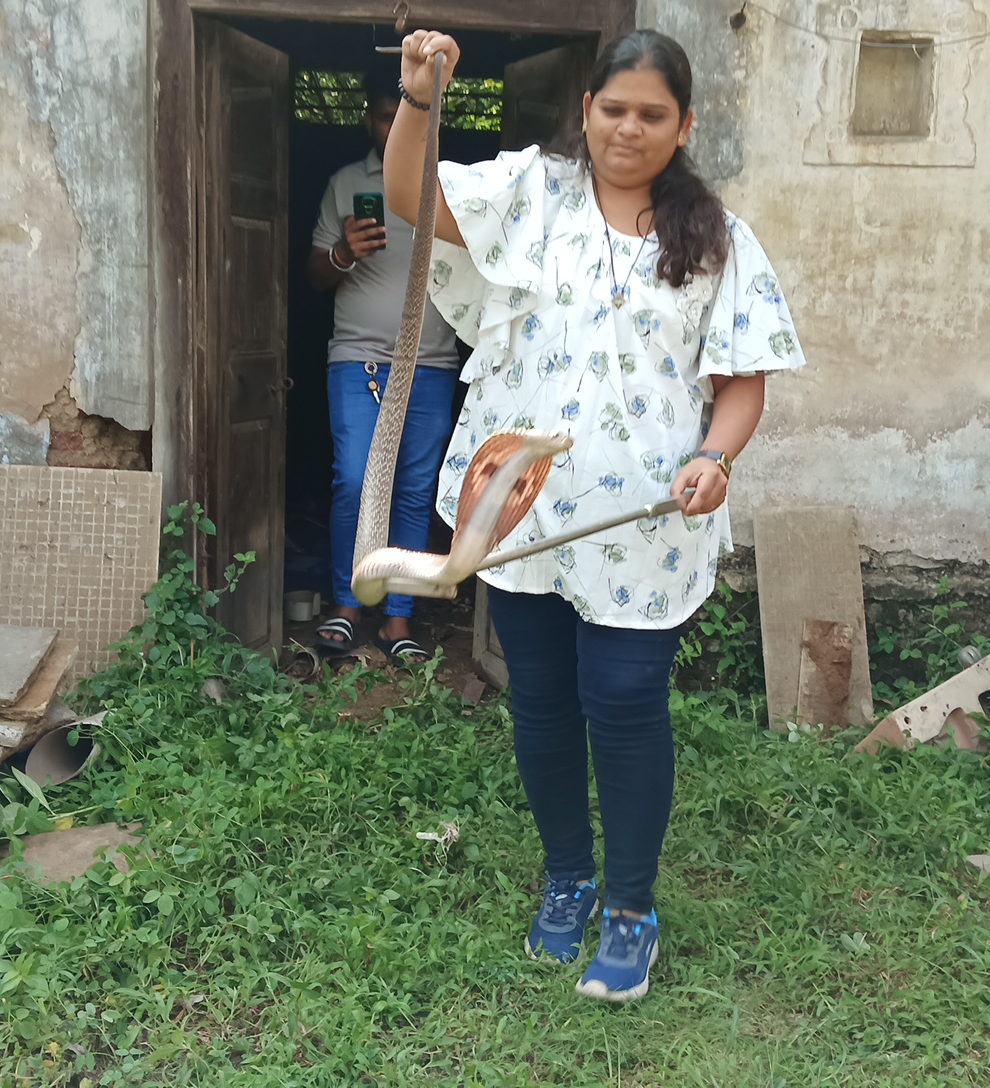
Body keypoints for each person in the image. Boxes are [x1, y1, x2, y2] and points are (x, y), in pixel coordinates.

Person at [385, 29, 804, 1002]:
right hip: (520, 509)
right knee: (539, 697)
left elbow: (743, 381)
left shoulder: (715, 239)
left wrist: (714, 453)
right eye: (614, 108)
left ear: (684, 124)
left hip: (644, 525)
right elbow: (415, 200)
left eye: (652, 113)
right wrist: (417, 101)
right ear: (586, 110)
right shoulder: (531, 196)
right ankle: (567, 876)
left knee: (621, 700)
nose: (629, 128)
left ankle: (631, 905)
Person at [306, 78, 463, 666]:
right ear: (367, 122)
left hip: (431, 362)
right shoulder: (346, 184)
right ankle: (348, 606)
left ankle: (398, 618)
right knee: (353, 479)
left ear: (431, 123)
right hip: (357, 357)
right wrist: (343, 252)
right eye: (381, 116)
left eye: (406, 117)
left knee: (414, 488)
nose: (393, 127)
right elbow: (315, 276)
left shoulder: (455, 188)